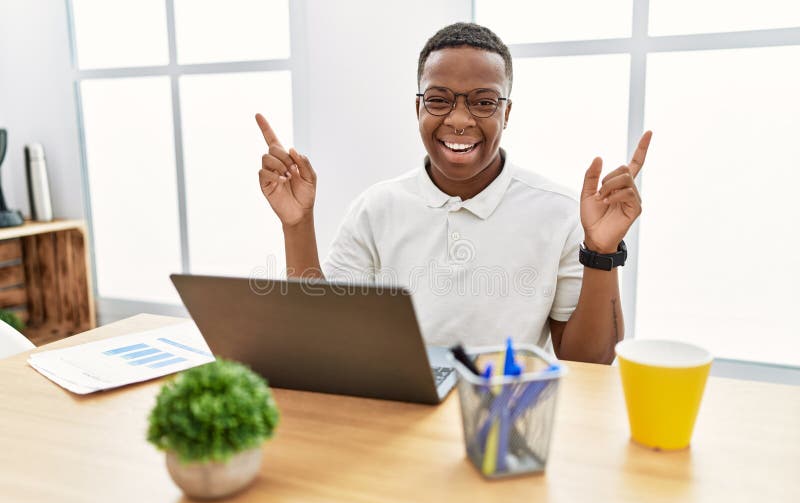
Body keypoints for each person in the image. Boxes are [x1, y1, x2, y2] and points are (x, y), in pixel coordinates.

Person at [254, 22, 652, 364]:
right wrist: (297, 224)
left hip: (500, 417)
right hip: (399, 417)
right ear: (418, 108)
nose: (459, 120)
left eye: (483, 102)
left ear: (506, 113)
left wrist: (601, 251)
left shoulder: (558, 212)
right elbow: (322, 338)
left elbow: (589, 363)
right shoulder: (377, 208)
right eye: (439, 100)